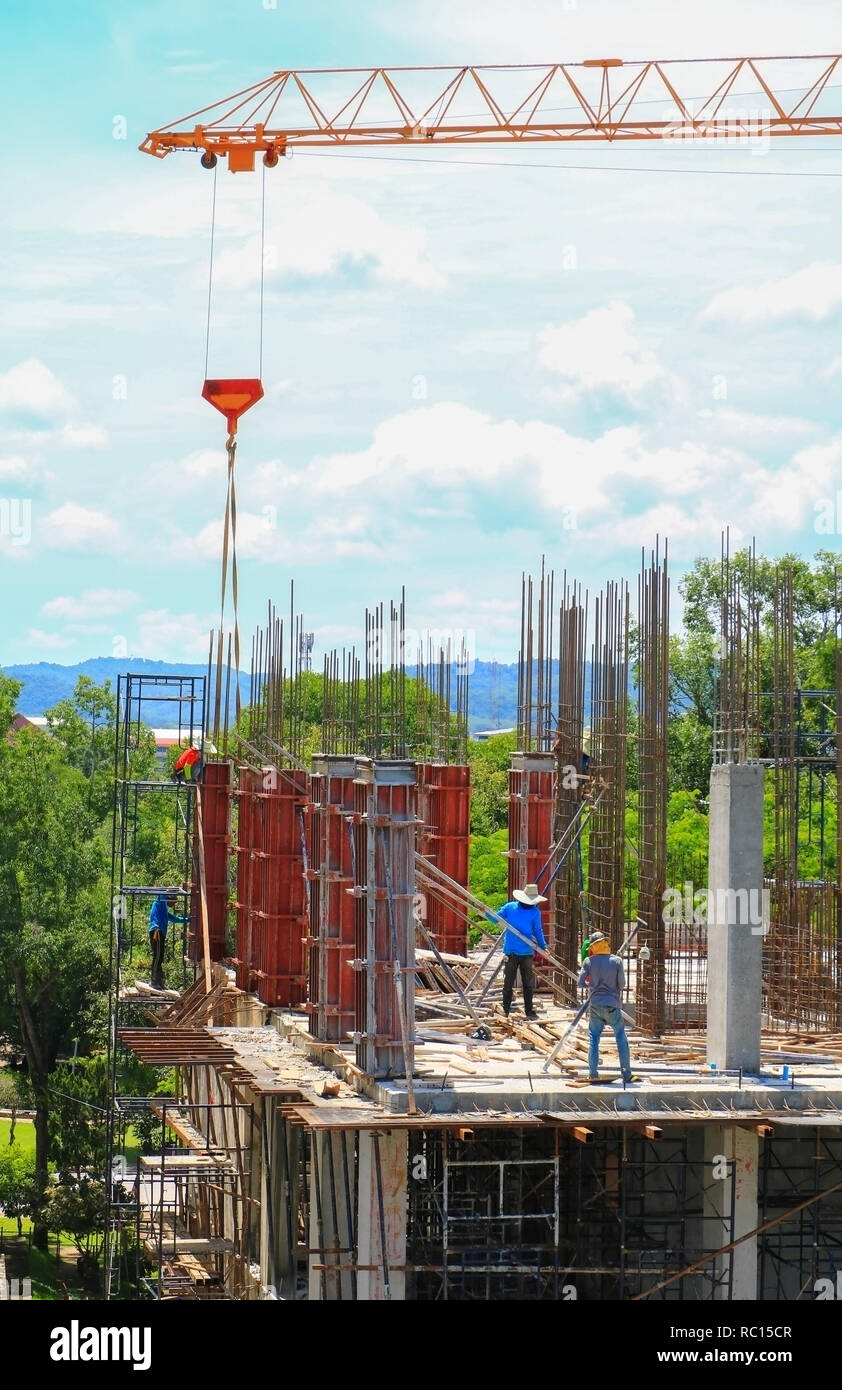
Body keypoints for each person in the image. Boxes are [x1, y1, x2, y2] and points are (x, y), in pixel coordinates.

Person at [578, 930, 634, 1083]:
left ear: (593, 946)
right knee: (621, 1038)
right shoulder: (616, 961)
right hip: (612, 1005)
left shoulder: (588, 961)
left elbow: (580, 982)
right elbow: (622, 984)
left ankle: (593, 1073)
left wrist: (593, 985)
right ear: (605, 943)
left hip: (595, 1005)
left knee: (593, 1039)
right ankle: (626, 1074)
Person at [494, 883, 548, 1020]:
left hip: (526, 952)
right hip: (511, 952)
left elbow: (538, 930)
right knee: (508, 983)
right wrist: (486, 913)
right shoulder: (509, 908)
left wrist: (544, 946)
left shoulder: (535, 912)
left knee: (528, 983)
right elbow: (497, 918)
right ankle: (505, 1009)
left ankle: (529, 1011)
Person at [148, 892, 189, 990]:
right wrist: (168, 891)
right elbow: (160, 895)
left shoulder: (164, 911)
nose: (173, 904)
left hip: (161, 933)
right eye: (173, 901)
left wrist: (188, 919)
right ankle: (154, 980)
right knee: (157, 956)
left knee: (160, 956)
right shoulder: (160, 903)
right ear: (168, 898)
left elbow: (175, 919)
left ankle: (159, 981)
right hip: (156, 931)